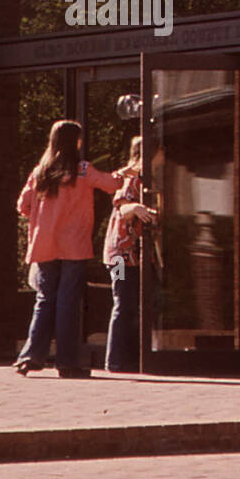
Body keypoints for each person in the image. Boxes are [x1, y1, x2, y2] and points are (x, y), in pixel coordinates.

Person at [16, 119, 123, 378]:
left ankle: (31, 356)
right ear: (75, 141)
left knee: (44, 300)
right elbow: (112, 185)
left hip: (44, 244)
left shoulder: (39, 173)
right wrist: (125, 173)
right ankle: (66, 361)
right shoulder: (82, 171)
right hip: (73, 245)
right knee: (68, 303)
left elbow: (23, 206)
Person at [102, 135, 157, 372]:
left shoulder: (145, 180)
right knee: (124, 303)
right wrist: (135, 208)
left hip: (132, 254)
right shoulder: (131, 179)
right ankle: (115, 359)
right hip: (121, 255)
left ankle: (129, 357)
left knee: (133, 303)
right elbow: (121, 205)